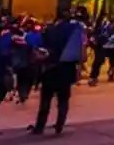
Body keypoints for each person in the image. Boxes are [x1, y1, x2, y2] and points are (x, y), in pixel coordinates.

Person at [28, 7, 84, 136]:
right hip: (66, 69)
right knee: (63, 100)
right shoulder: (74, 31)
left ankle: (40, 126)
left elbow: (41, 47)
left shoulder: (49, 30)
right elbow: (78, 51)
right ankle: (60, 124)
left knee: (45, 100)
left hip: (50, 68)